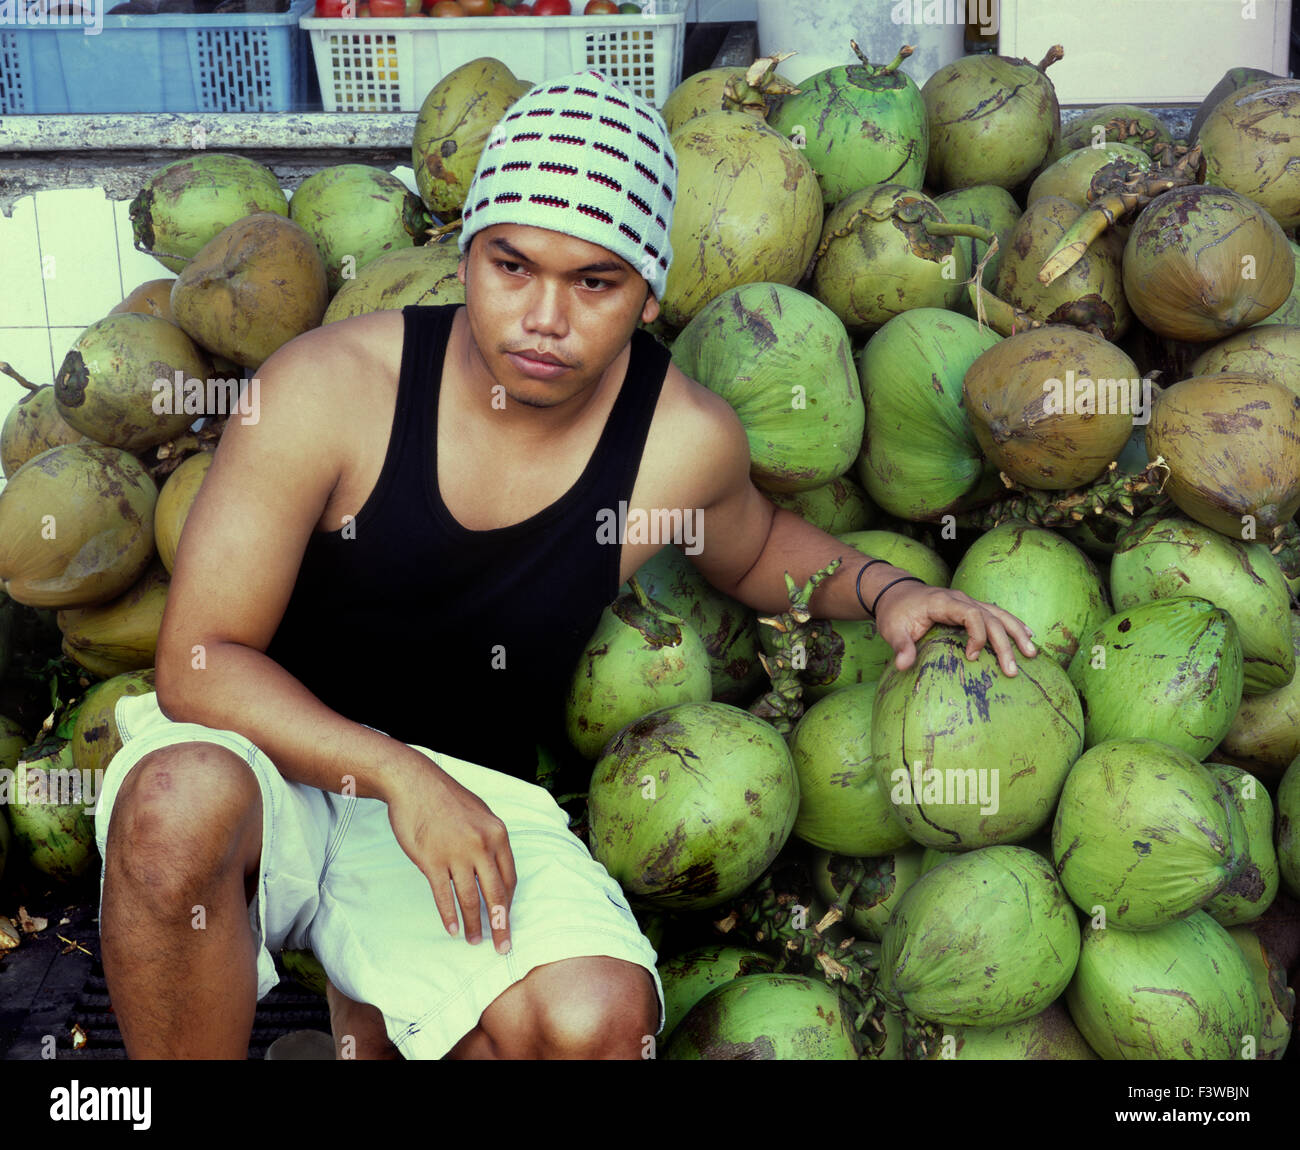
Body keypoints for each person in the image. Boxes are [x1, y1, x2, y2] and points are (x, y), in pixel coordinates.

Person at [94, 70, 1036, 1060]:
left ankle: (364, 1022)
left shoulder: (679, 439)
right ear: (466, 258)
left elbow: (753, 546)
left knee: (589, 1024)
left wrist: (890, 589)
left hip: (465, 787)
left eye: (594, 282)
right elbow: (197, 661)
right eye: (513, 267)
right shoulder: (327, 388)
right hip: (270, 763)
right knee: (176, 802)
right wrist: (396, 775)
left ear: (649, 293)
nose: (545, 317)